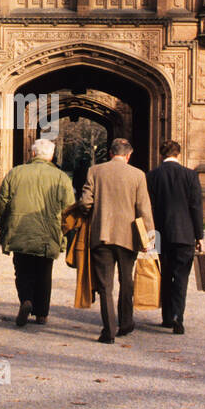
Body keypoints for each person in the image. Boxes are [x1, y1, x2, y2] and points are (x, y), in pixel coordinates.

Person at [80, 137, 154, 344]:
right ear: (128, 155)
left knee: (105, 285)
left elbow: (86, 202)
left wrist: (89, 213)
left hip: (101, 234)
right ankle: (126, 322)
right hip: (128, 236)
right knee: (126, 280)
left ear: (110, 153)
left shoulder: (95, 171)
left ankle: (109, 330)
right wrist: (149, 237)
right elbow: (144, 209)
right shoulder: (138, 175)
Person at [0, 137, 74, 328]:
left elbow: (3, 202)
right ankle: (41, 314)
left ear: (32, 154)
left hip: (19, 230)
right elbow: (69, 208)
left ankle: (26, 300)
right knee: (44, 272)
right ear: (52, 156)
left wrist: (1, 223)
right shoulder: (61, 177)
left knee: (21, 270)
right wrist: (66, 233)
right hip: (49, 233)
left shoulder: (15, 173)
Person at [146, 140, 204, 335]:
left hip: (160, 234)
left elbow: (149, 207)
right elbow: (196, 207)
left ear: (161, 154)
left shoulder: (152, 176)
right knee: (181, 277)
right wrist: (199, 235)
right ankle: (179, 316)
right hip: (185, 234)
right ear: (178, 154)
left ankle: (167, 317)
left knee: (165, 274)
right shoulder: (190, 175)